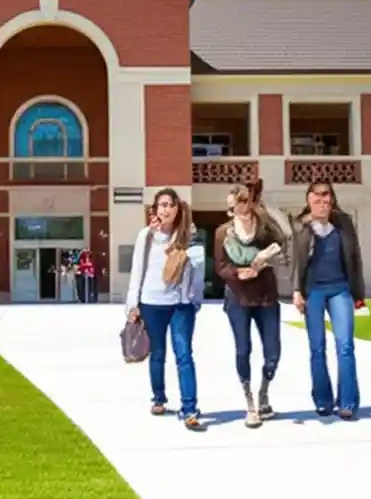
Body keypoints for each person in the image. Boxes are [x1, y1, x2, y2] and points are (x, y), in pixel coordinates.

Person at [213, 179, 294, 428]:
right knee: (243, 349)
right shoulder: (222, 232)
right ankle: (249, 401)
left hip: (266, 295)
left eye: (240, 203)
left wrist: (266, 210)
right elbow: (220, 266)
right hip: (238, 296)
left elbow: (284, 239)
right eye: (231, 206)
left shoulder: (265, 225)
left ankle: (264, 392)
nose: (236, 209)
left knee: (273, 352)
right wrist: (238, 274)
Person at [125, 188, 207, 432]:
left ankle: (190, 409)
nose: (166, 209)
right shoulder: (146, 236)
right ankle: (159, 398)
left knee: (184, 354)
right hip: (152, 303)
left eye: (171, 204)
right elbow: (137, 270)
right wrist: (133, 305)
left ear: (178, 209)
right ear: (155, 209)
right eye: (162, 204)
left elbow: (198, 271)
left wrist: (195, 300)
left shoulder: (187, 236)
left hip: (181, 305)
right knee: (158, 353)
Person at [291, 180, 365, 419]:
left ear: (331, 201)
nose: (322, 203)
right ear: (309, 201)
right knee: (317, 347)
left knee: (345, 346)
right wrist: (296, 290)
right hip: (313, 291)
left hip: (340, 289)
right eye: (316, 199)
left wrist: (358, 294)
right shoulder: (301, 226)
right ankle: (323, 401)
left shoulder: (343, 224)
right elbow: (296, 262)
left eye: (326, 199)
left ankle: (348, 402)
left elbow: (355, 258)